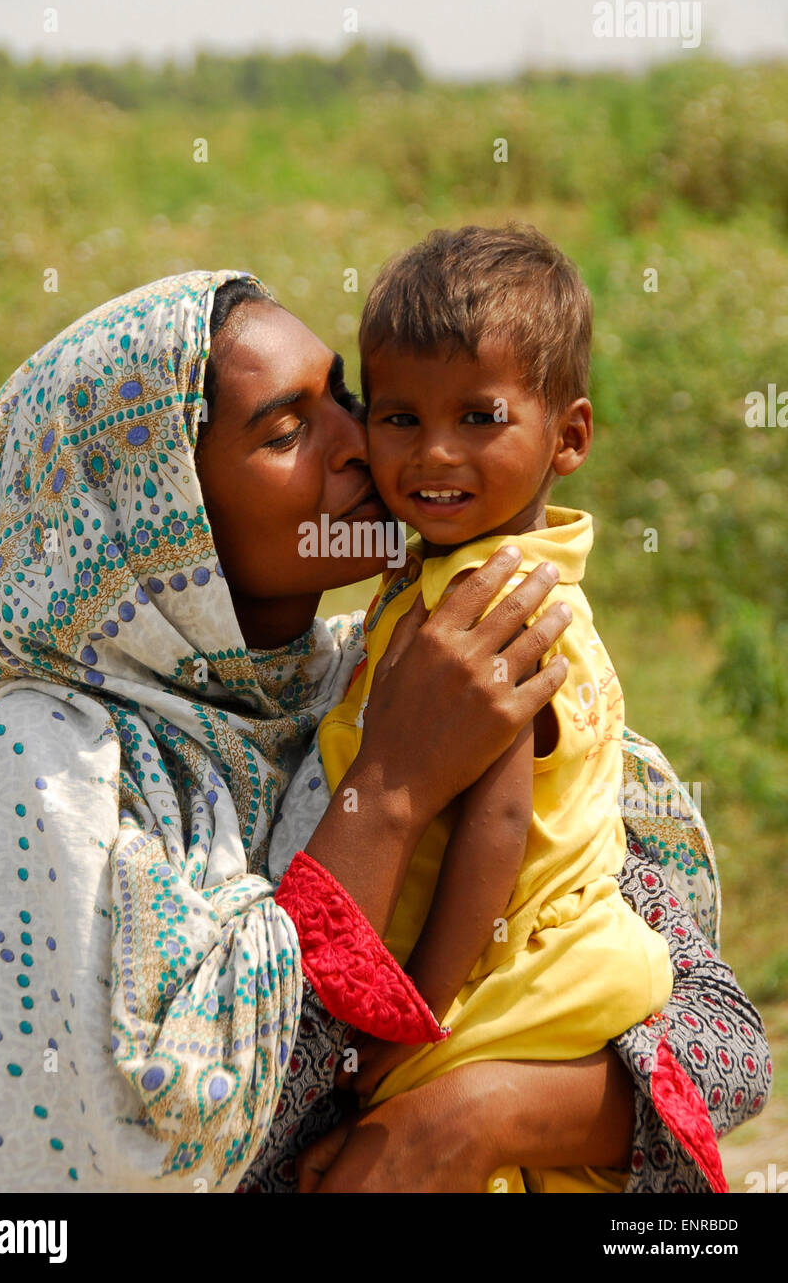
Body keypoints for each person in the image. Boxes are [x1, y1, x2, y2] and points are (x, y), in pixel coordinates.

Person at [0, 269, 769, 1195]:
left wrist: (475, 1114)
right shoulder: (58, 759)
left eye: (346, 400)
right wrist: (393, 788)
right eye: (287, 431)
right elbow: (177, 1143)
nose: (358, 444)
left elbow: (722, 1049)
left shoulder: (397, 674)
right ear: (151, 518)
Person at [312, 224, 674, 1193]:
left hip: (501, 987)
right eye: (397, 419)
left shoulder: (481, 604)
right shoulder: (517, 572)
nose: (432, 453)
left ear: (568, 436)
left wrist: (407, 1026)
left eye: (478, 418)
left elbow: (499, 825)